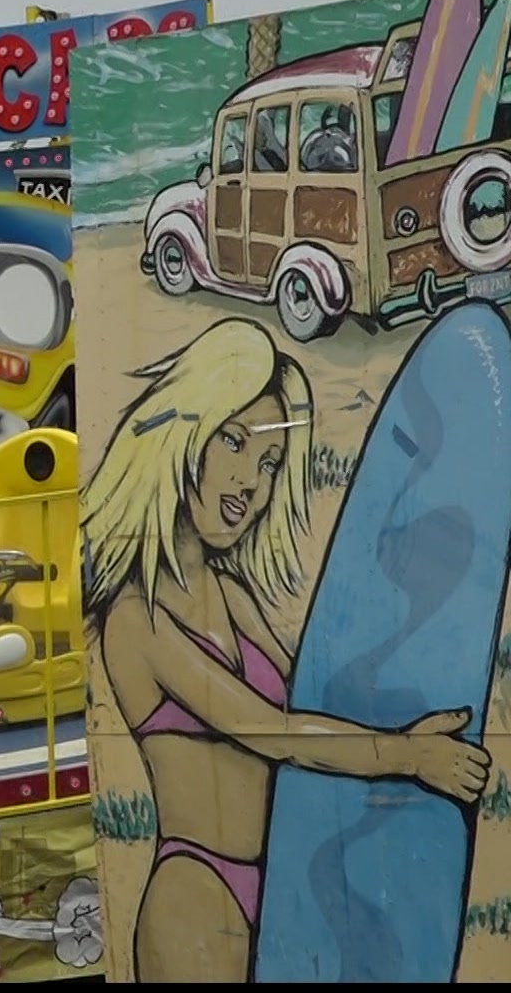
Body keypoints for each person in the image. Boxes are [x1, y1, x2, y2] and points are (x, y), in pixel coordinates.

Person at [82, 318, 490, 983]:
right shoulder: (137, 618)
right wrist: (405, 756)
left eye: (269, 462)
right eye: (235, 443)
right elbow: (271, 732)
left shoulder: (232, 595)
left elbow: (314, 701)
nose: (252, 480)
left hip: (279, 886)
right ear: (185, 436)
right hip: (196, 889)